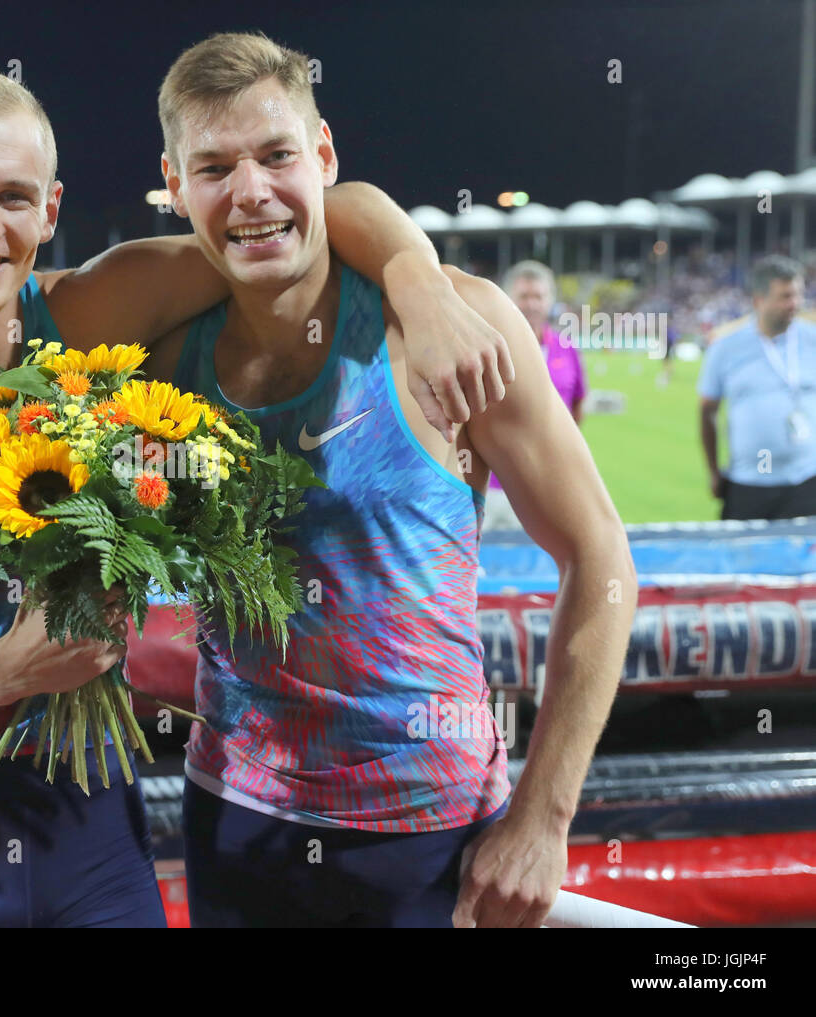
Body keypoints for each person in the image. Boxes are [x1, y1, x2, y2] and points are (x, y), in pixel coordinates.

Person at [0, 67, 510, 928]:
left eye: (12, 196)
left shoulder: (90, 320)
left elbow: (285, 215)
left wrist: (417, 274)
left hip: (92, 825)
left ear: (50, 209)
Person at [138, 31, 635, 928]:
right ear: (174, 186)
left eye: (276, 154)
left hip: (429, 832)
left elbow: (600, 555)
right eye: (213, 167)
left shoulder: (447, 328)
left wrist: (545, 816)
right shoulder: (162, 356)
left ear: (322, 156)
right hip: (232, 818)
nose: (250, 191)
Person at [699, 254, 816, 520]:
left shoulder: (811, 339)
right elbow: (707, 411)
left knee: (808, 562)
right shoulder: (726, 347)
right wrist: (713, 471)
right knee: (744, 559)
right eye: (785, 296)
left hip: (808, 481)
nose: (794, 304)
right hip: (749, 485)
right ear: (758, 300)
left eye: (798, 295)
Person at [482, 260, 586, 530]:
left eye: (539, 296)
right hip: (495, 487)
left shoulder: (567, 348)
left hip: (552, 484)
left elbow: (577, 407)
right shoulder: (486, 348)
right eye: (524, 296)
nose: (532, 304)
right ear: (508, 299)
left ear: (550, 300)